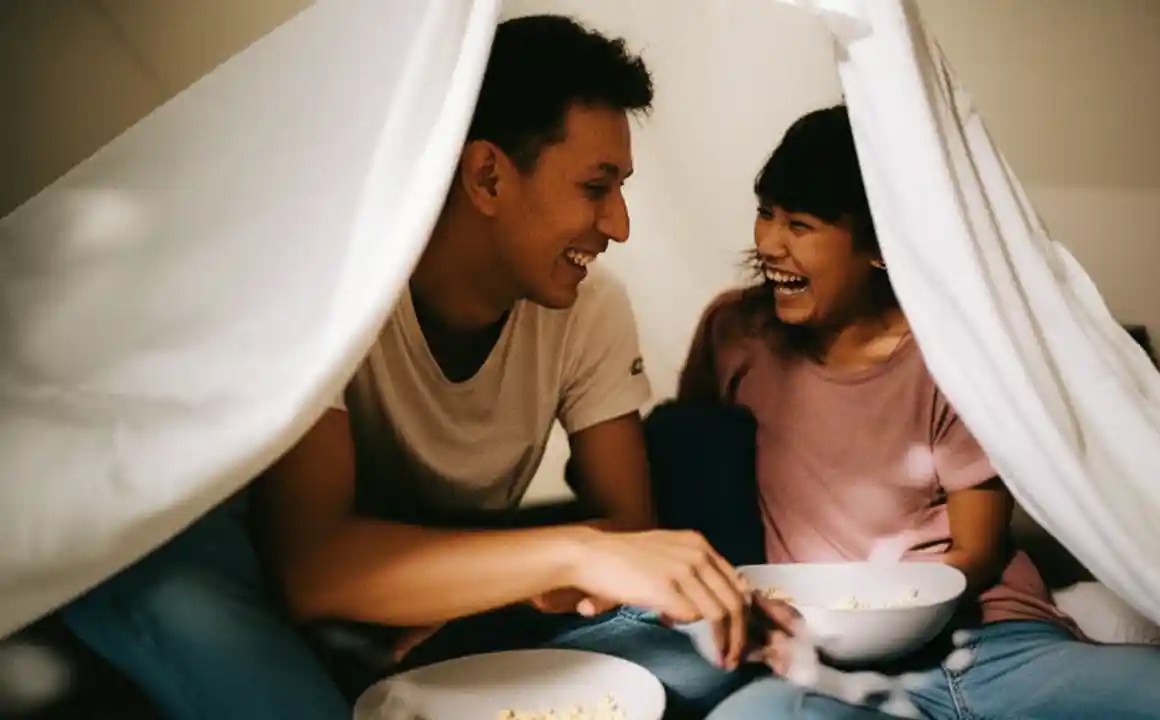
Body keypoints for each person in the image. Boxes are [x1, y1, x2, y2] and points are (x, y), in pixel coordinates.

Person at [61, 16, 754, 720]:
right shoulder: (334, 287)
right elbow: (314, 567)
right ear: (487, 175)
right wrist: (564, 557)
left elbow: (630, 538)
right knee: (180, 599)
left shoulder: (588, 307)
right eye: (596, 187)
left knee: (688, 666)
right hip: (226, 561)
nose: (619, 225)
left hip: (413, 599)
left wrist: (497, 585)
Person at [666, 106, 1160, 719]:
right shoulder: (737, 332)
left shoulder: (952, 355)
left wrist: (885, 613)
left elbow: (978, 550)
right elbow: (686, 455)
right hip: (831, 667)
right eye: (765, 212)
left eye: (799, 224)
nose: (770, 242)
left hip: (996, 644)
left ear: (880, 246)